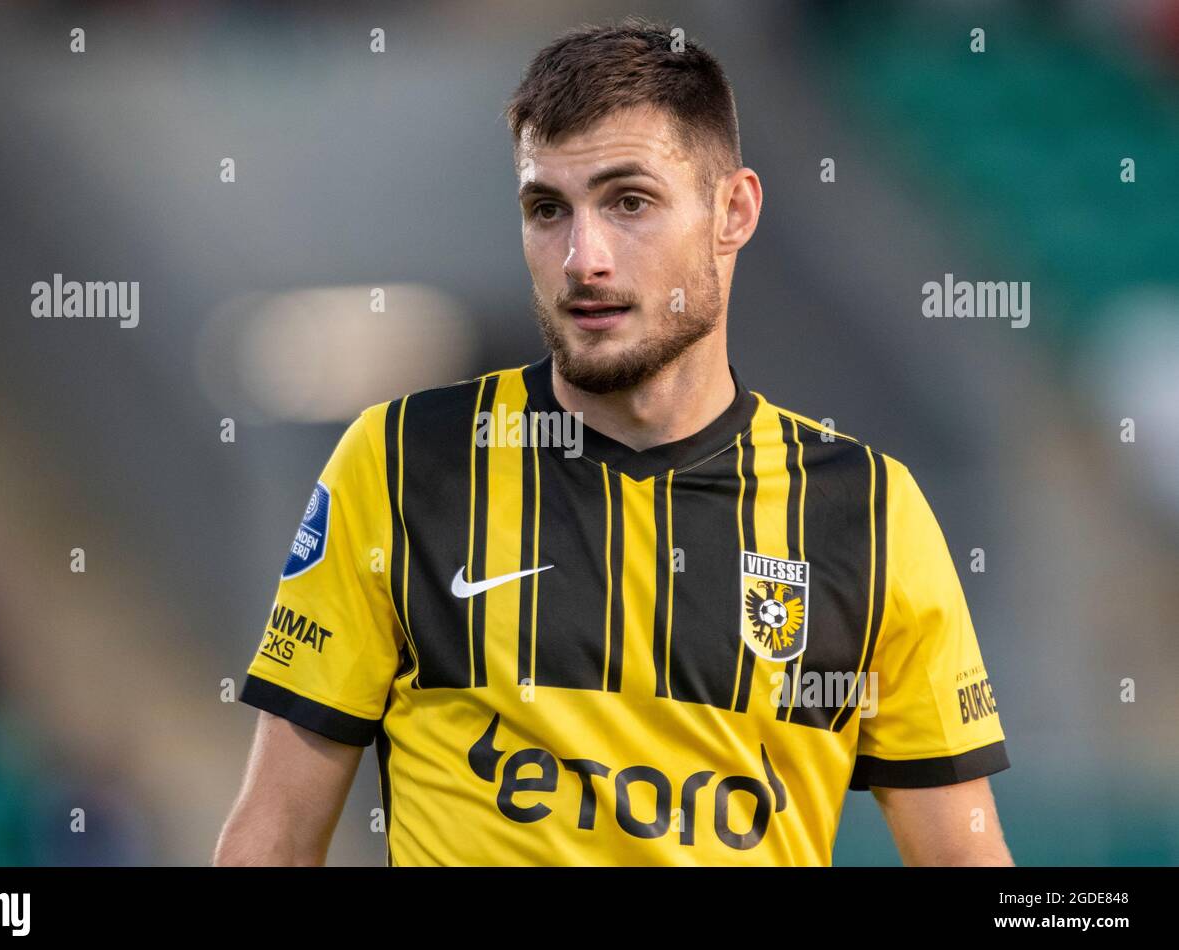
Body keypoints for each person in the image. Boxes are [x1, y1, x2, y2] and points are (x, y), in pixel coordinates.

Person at [214, 17, 1011, 866]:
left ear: (731, 210)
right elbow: (273, 836)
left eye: (629, 201)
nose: (582, 258)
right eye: (547, 209)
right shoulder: (403, 465)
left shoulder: (868, 513)